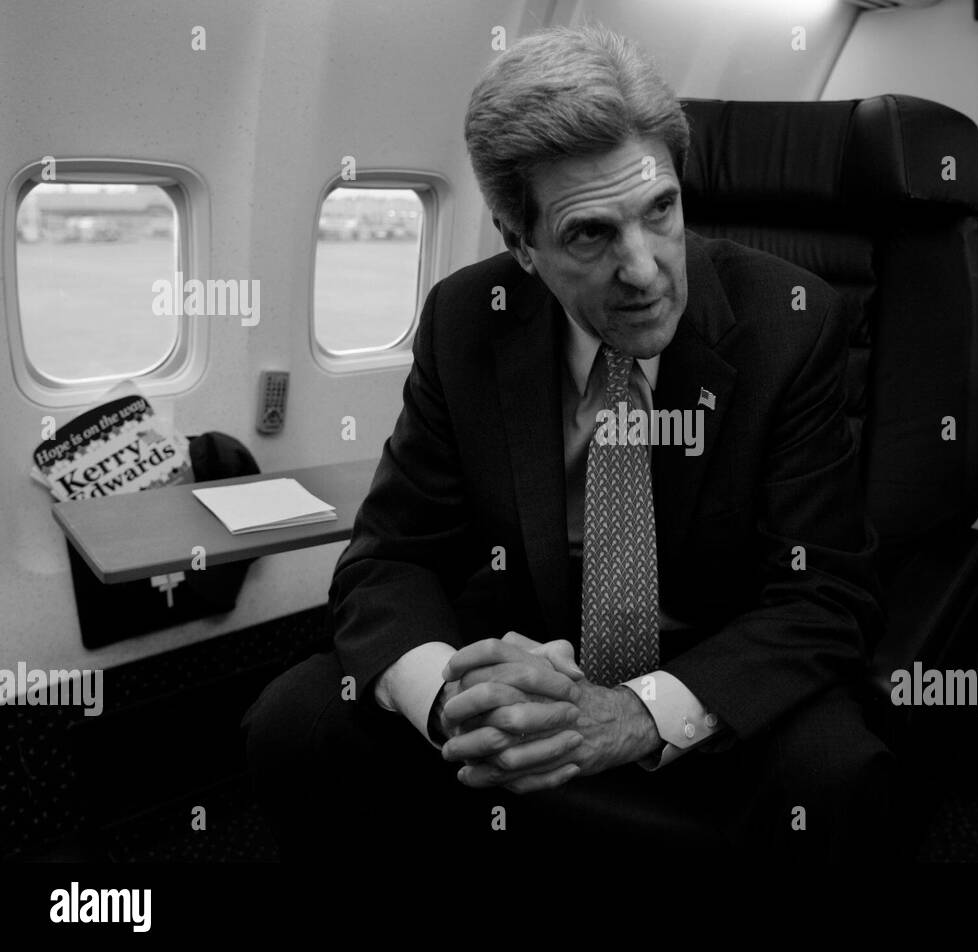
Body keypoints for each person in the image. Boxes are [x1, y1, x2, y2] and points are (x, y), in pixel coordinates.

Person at [243, 23, 894, 866]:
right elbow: (390, 558)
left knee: (836, 777)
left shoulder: (791, 325)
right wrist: (451, 699)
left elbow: (825, 596)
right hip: (533, 642)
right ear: (521, 245)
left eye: (660, 211)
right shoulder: (465, 322)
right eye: (591, 234)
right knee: (296, 721)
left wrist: (632, 715)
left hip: (716, 653)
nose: (647, 269)